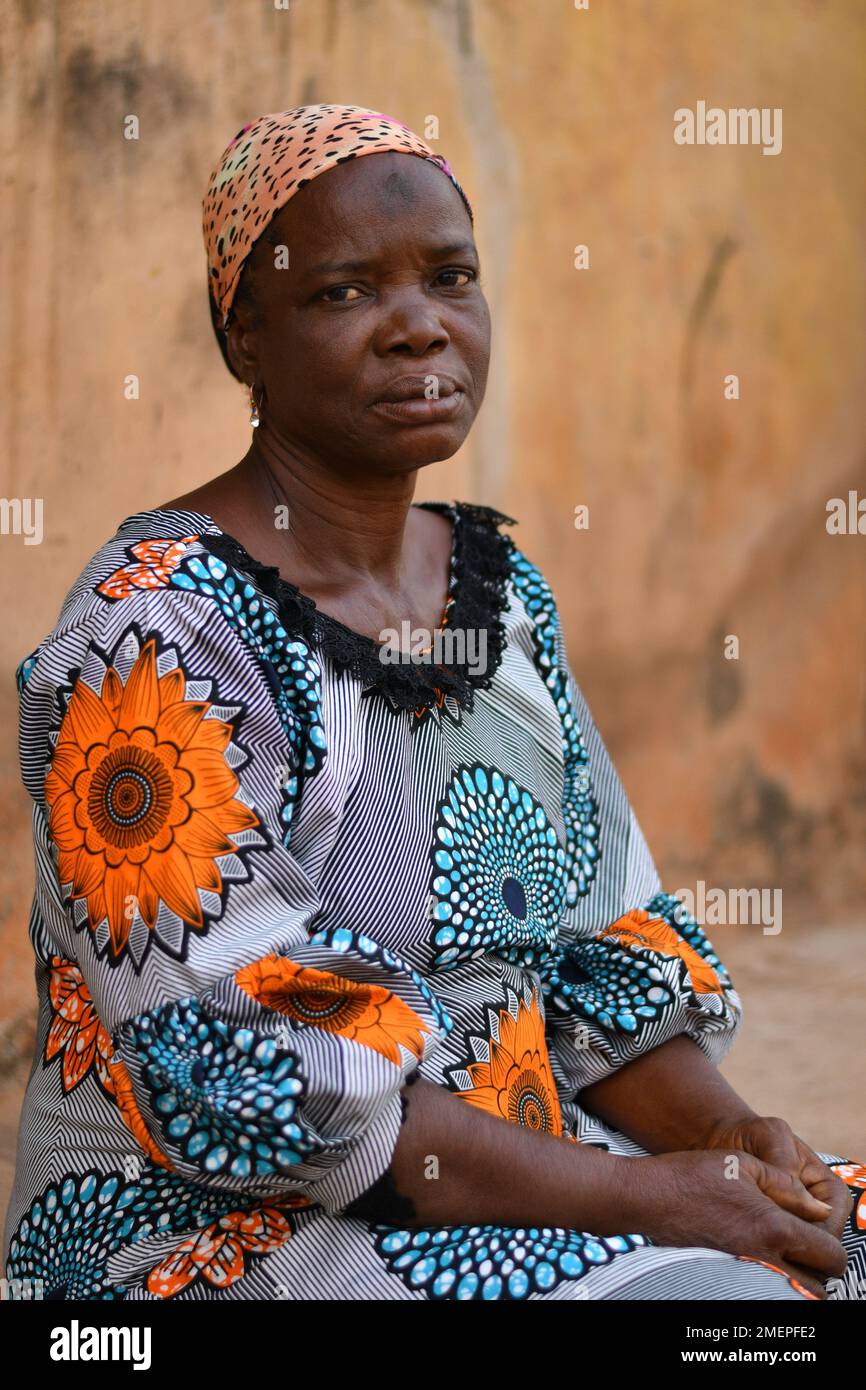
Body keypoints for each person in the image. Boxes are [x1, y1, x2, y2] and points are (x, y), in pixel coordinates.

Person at [3, 105, 864, 1302]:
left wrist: (728, 1142)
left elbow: (595, 946)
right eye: (346, 293)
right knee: (732, 1314)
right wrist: (657, 1199)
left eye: (449, 277)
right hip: (227, 1240)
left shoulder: (495, 591)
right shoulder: (150, 637)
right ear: (242, 335)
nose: (419, 326)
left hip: (529, 1173)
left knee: (836, 1245)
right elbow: (264, 1089)